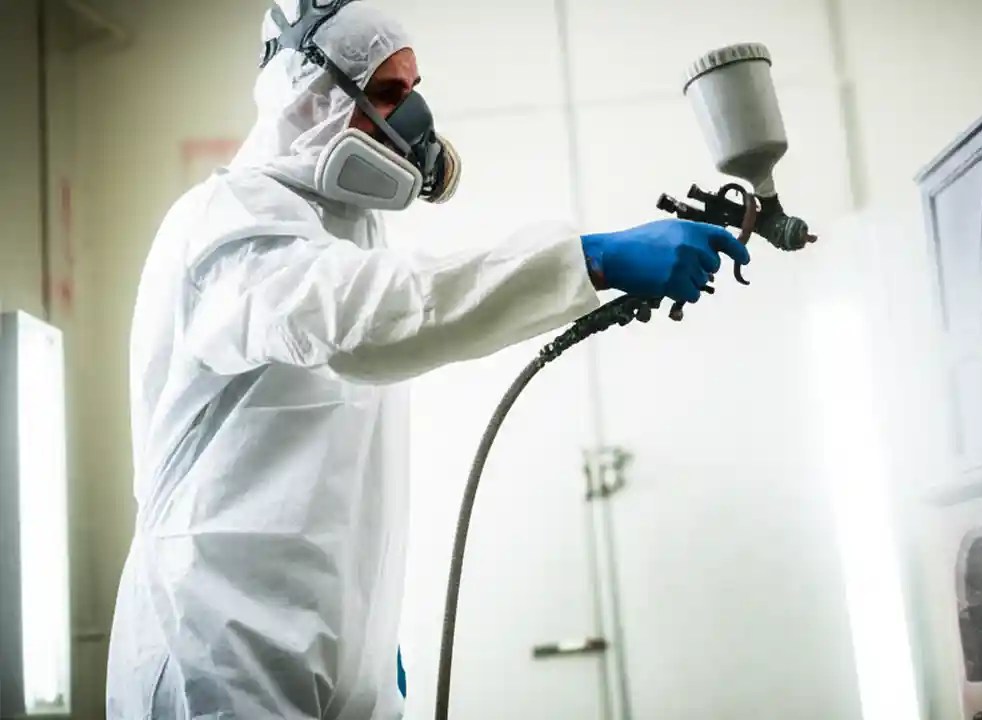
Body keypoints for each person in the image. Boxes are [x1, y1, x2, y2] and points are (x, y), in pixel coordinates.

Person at [104, 1, 748, 718]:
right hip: (218, 651)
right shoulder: (227, 221)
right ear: (311, 98)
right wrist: (588, 258)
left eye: (413, 92)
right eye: (388, 94)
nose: (413, 124)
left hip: (333, 647)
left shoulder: (349, 231)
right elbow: (359, 318)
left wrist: (366, 634)